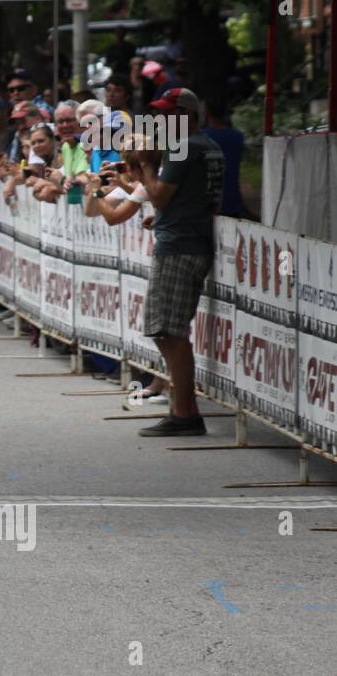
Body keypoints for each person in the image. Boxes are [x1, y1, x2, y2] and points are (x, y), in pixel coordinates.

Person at [136, 88, 224, 437]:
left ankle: (185, 412)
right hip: (191, 237)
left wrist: (144, 163)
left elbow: (158, 195)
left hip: (178, 246)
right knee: (167, 330)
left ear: (186, 114)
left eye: (167, 114)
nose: (160, 120)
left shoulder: (184, 147)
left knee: (169, 330)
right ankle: (183, 409)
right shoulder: (210, 146)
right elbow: (205, 198)